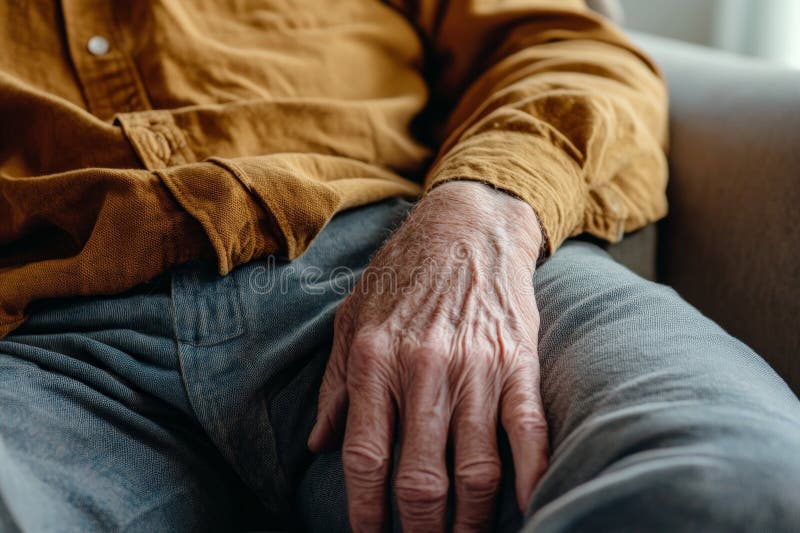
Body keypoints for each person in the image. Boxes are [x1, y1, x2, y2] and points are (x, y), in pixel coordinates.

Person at [0, 1, 798, 531]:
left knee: (743, 484)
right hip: (35, 343)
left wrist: (479, 218)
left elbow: (563, 47)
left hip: (404, 251)